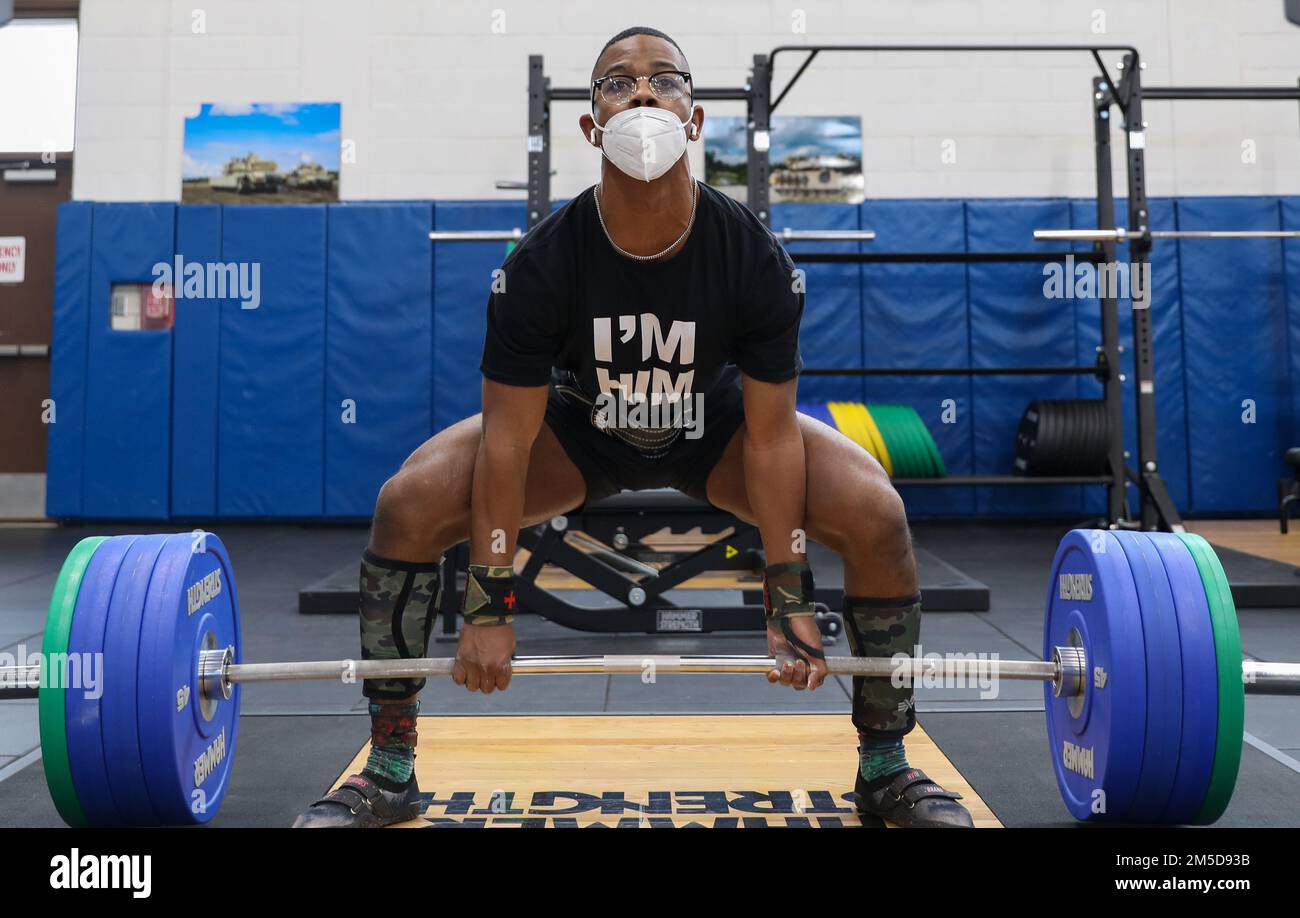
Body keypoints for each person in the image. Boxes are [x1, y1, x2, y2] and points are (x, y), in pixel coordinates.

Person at [293, 26, 972, 829]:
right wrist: (487, 605)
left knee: (876, 513)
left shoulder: (752, 256)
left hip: (711, 428)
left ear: (694, 118)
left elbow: (771, 435)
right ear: (590, 125)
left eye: (664, 81)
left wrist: (787, 587)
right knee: (409, 501)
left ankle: (886, 765)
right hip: (580, 427)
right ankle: (391, 768)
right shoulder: (541, 264)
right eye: (618, 82)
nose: (643, 93)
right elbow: (508, 442)